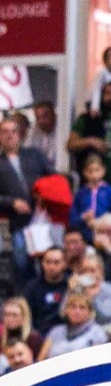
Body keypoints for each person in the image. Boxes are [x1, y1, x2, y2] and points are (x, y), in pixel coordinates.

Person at [0, 115, 53, 279]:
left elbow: (54, 178)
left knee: (49, 261)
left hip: (43, 218)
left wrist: (45, 195)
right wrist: (11, 202)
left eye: (14, 131)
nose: (10, 135)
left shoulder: (35, 155)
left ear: (20, 134)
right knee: (21, 262)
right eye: (5, 132)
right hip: (18, 222)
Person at [67, 80, 111, 197]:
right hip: (94, 182)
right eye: (108, 93)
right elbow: (70, 144)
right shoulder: (87, 118)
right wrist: (91, 141)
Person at [38, 290, 108, 360]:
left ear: (89, 312)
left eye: (82, 307)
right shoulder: (56, 331)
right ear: (66, 310)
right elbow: (40, 361)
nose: (77, 312)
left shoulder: (97, 332)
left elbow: (99, 361)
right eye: (73, 307)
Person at [70, 154, 111, 238]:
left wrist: (100, 223)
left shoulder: (110, 192)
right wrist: (83, 217)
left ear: (103, 171)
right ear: (84, 172)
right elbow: (72, 218)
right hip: (84, 233)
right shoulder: (80, 193)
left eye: (97, 170)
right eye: (90, 171)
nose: (94, 175)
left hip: (106, 233)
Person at [23, 246, 69, 335]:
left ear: (65, 264)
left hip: (66, 333)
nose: (51, 266)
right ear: (42, 264)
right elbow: (26, 314)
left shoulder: (70, 285)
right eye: (48, 262)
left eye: (56, 262)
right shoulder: (31, 287)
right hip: (39, 333)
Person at [26, 100, 57, 168]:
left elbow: (53, 157)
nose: (41, 121)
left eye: (45, 116)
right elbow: (28, 153)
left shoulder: (61, 131)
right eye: (38, 117)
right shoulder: (33, 131)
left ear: (53, 115)